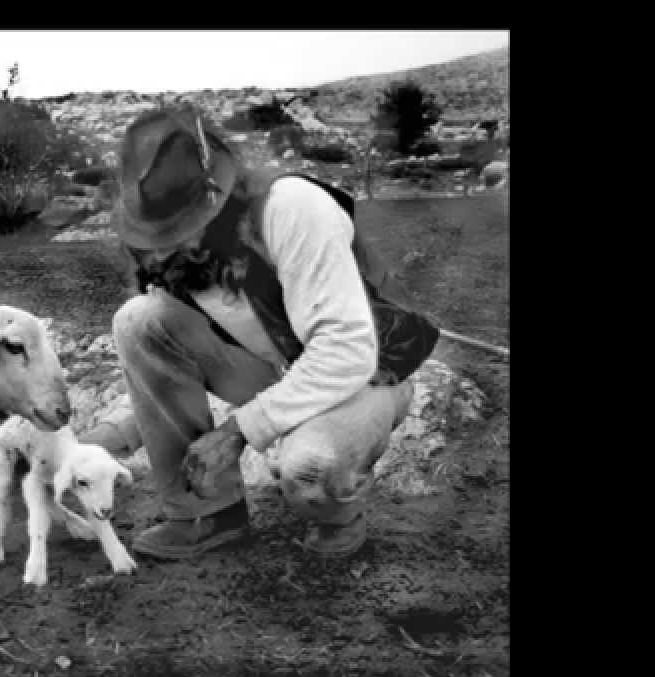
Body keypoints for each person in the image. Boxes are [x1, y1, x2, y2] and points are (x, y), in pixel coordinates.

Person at [79, 105, 439, 560]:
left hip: (368, 371)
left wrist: (240, 431)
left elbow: (347, 352)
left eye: (182, 224)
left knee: (310, 468)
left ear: (216, 193)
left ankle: (336, 516)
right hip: (279, 368)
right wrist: (115, 434)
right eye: (160, 229)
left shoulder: (290, 209)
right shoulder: (173, 252)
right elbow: (172, 362)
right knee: (139, 318)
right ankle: (207, 515)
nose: (174, 242)